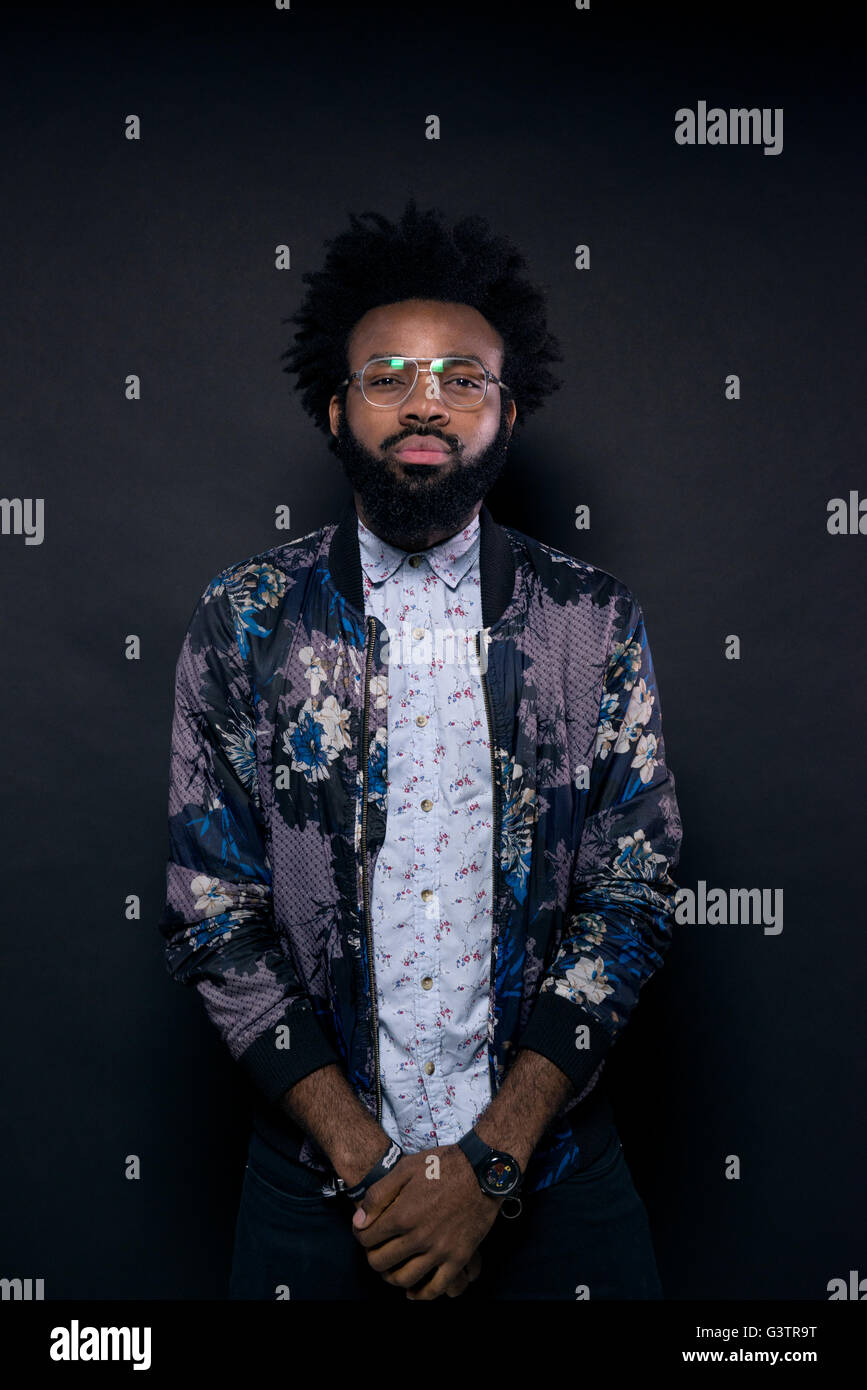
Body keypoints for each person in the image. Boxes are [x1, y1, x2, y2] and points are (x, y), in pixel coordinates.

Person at [159, 197, 683, 1301]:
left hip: (557, 1179)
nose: (425, 403)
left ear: (508, 405)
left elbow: (630, 898)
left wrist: (489, 1165)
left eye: (462, 377)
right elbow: (214, 913)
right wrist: (370, 1161)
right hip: (317, 1190)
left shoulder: (591, 621)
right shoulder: (246, 619)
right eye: (388, 374)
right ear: (335, 405)